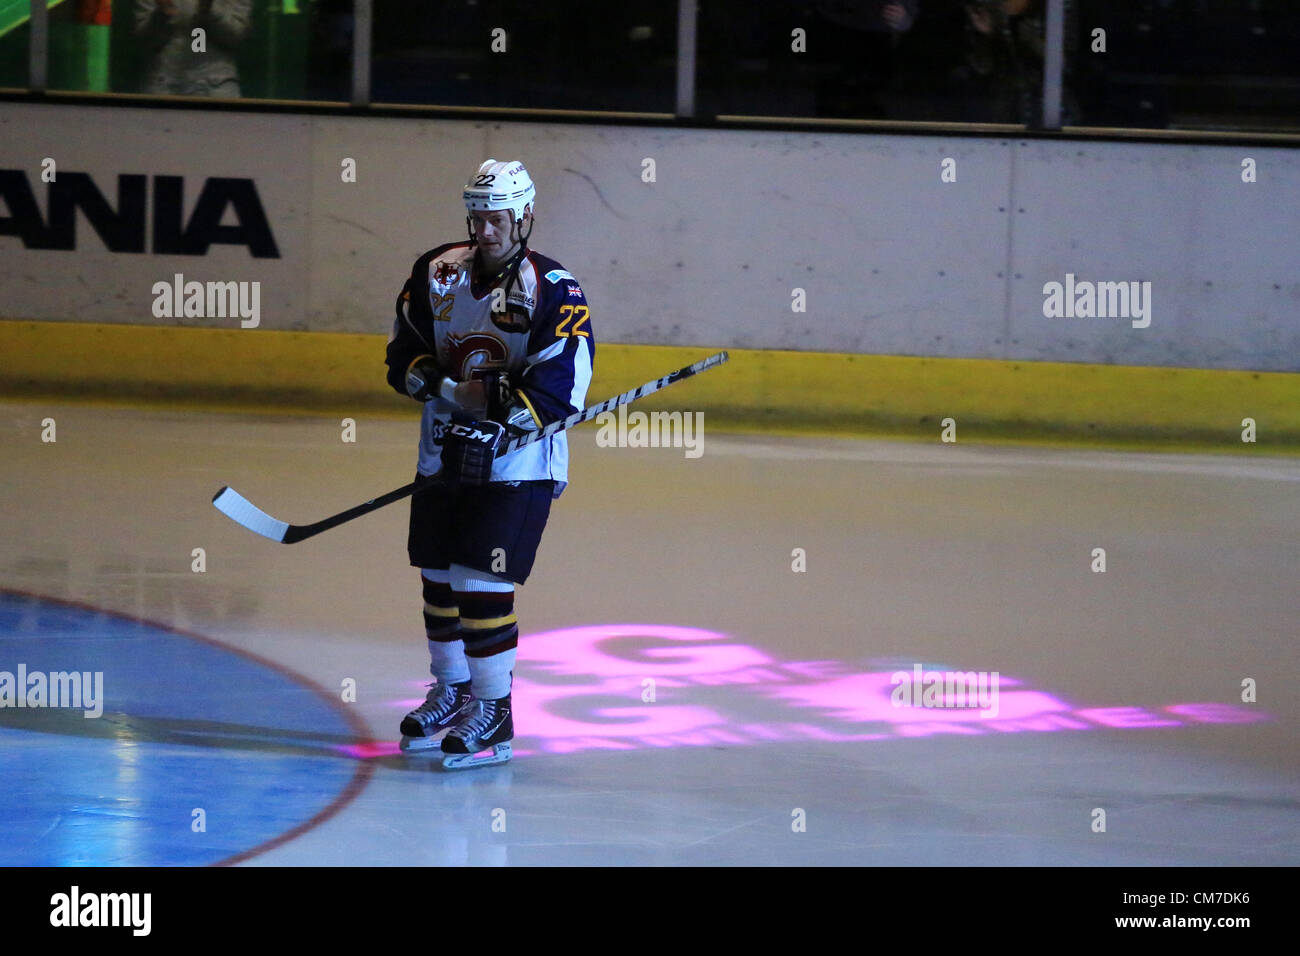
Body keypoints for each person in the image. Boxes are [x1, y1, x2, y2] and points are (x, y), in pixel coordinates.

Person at [384, 159, 594, 769]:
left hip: (518, 465)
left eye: (497, 219)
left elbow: (562, 387)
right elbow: (405, 357)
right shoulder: (436, 272)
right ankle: (450, 692)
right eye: (477, 218)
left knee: (481, 577)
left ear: (524, 217)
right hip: (443, 451)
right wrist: (448, 395)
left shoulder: (555, 288)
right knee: (438, 574)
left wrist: (502, 425)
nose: (486, 232)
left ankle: (494, 711)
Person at [134, 0, 251, 97]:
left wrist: (208, 9)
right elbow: (144, 42)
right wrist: (163, 12)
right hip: (162, 84)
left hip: (217, 86)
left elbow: (237, 37)